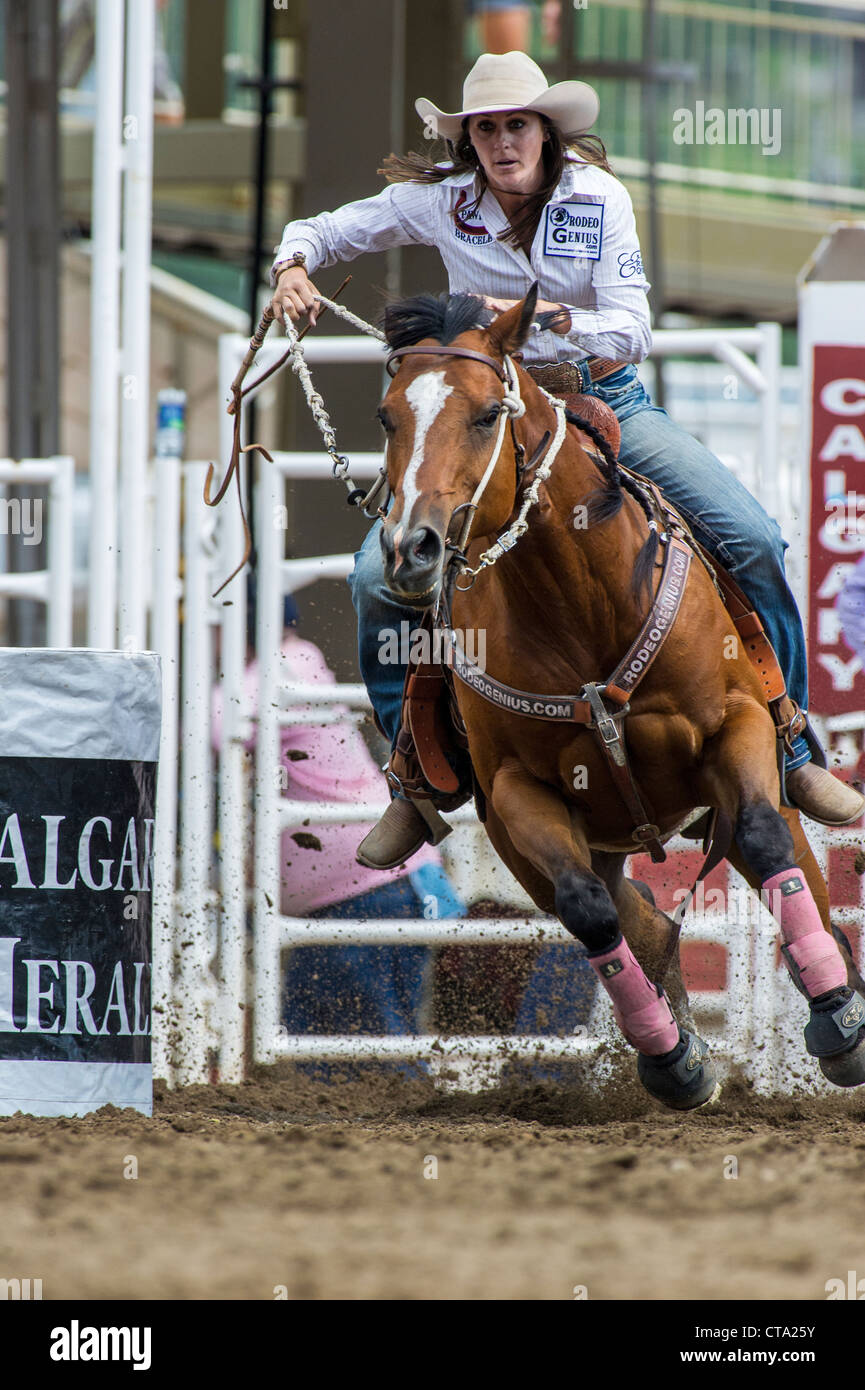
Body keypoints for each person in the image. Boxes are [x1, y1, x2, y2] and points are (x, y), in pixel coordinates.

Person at [268, 50, 864, 870]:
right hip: (489, 418)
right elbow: (328, 229)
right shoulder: (441, 202)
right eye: (486, 129)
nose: (502, 142)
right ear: (468, 139)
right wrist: (291, 265)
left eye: (517, 125)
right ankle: (415, 781)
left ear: (545, 132)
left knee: (752, 538)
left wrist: (550, 321)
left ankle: (790, 751)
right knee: (376, 579)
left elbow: (632, 329)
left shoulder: (599, 198)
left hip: (600, 398)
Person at [211, 582, 466, 1038]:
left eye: (211, 628)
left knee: (365, 1048)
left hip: (368, 891)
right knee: (333, 1048)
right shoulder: (294, 662)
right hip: (369, 890)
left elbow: (214, 725)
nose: (206, 640)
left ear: (237, 626)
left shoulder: (286, 661)